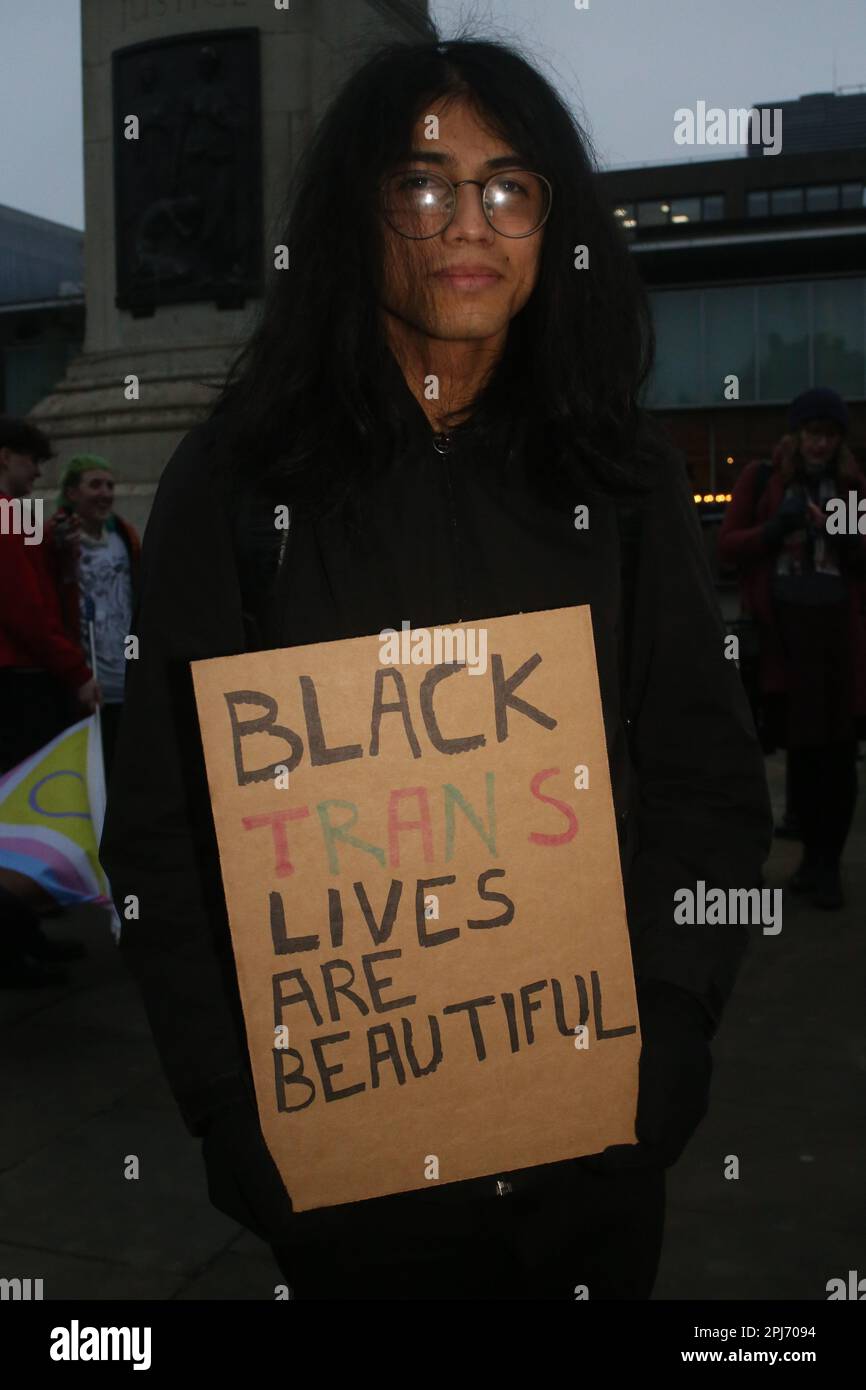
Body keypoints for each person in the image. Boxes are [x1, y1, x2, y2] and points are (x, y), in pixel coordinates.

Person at [99, 31, 773, 1300]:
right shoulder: (238, 482)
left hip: (587, 1158)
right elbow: (163, 833)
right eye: (423, 183)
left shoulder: (617, 478)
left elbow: (705, 780)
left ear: (547, 230)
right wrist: (222, 1106)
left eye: (509, 187)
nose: (470, 219)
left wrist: (673, 1026)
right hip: (350, 1181)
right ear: (361, 216)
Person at [719, 388, 866, 910]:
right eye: (813, 434)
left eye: (829, 436)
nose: (821, 444)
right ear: (798, 434)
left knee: (838, 754)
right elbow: (728, 544)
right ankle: (804, 855)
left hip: (838, 644)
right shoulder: (763, 479)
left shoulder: (851, 486)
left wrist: (844, 533)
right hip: (783, 642)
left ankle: (825, 864)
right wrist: (776, 528)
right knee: (798, 753)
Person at [0, 416, 99, 987]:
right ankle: (10, 945)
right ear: (5, 456)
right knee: (18, 816)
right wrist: (76, 670)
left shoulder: (17, 517)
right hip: (16, 680)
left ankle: (21, 934)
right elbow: (24, 610)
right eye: (30, 460)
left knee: (21, 816)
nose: (38, 472)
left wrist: (59, 559)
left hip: (27, 676)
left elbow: (42, 593)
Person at [44, 455, 141, 778]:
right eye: (94, 485)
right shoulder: (56, 540)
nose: (105, 493)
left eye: (110, 485)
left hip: (126, 679)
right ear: (72, 493)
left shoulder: (124, 537)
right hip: (87, 682)